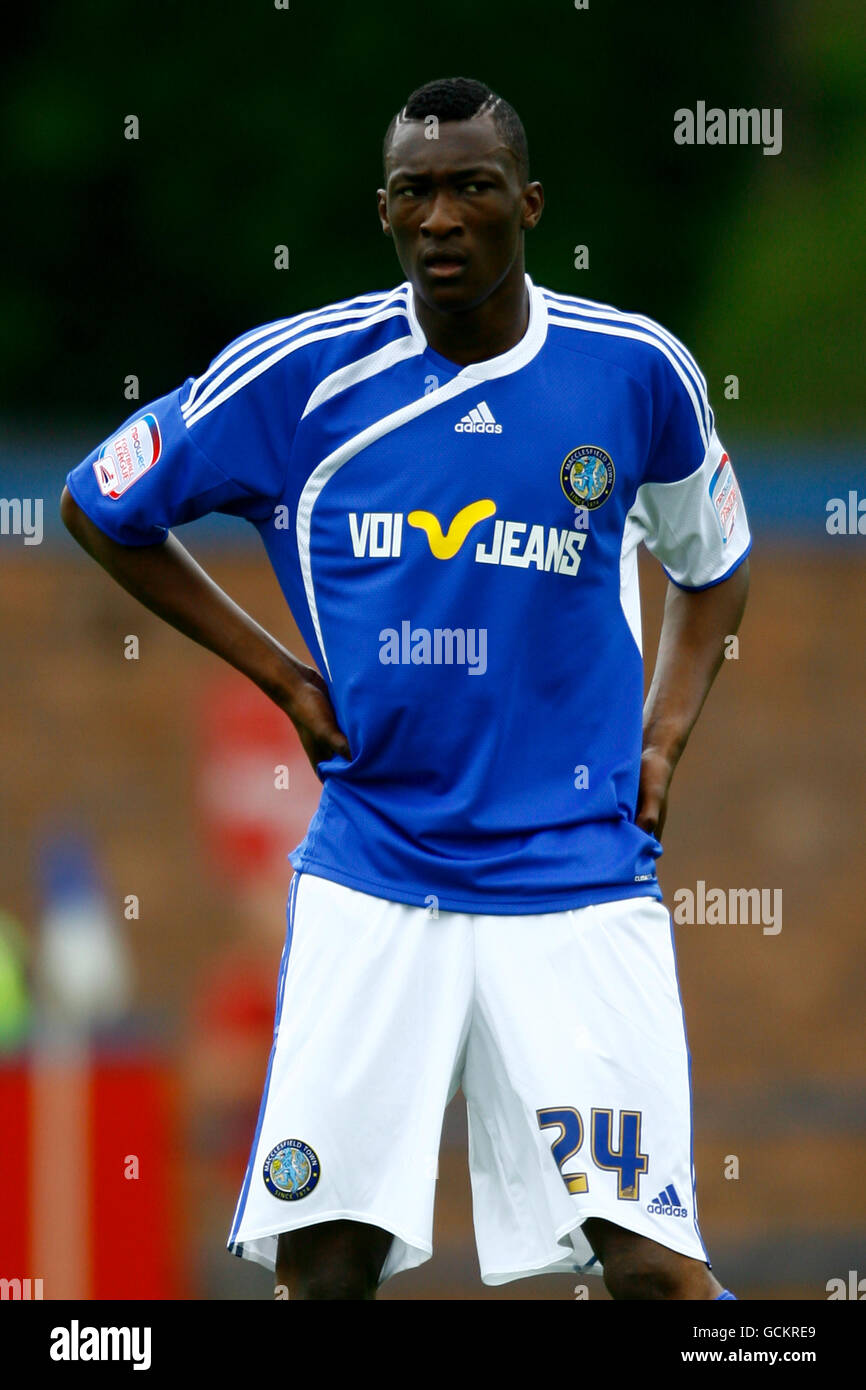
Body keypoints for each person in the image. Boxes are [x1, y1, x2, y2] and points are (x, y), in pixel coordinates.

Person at [60, 76, 750, 1301]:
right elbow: (102, 503)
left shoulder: (633, 372)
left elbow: (714, 566)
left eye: (471, 188)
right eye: (413, 193)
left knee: (652, 1268)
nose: (441, 217)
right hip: (375, 883)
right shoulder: (300, 377)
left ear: (526, 205)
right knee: (324, 1271)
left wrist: (663, 737)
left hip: (576, 887)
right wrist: (278, 673)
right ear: (383, 213)